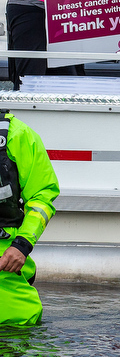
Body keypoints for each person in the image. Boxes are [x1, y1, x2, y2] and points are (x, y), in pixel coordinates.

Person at [0, 112, 60, 326]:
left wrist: (22, 245)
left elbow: (41, 196)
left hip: (5, 260)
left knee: (18, 328)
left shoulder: (17, 135)